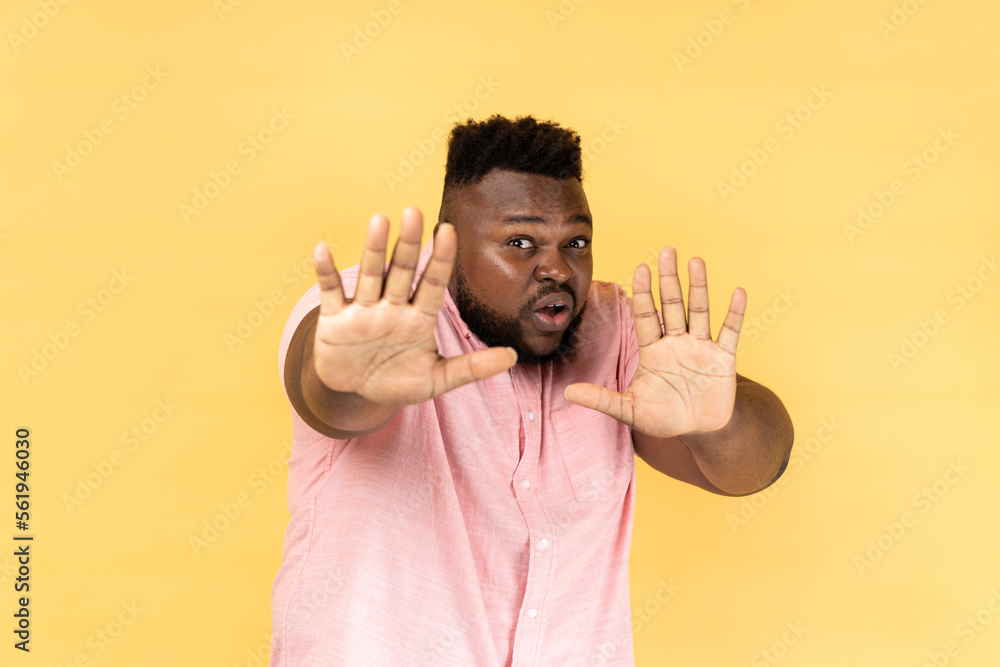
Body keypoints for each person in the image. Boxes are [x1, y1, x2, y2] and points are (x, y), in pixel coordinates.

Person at [270, 114, 794, 666]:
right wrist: (356, 380)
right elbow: (332, 402)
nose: (558, 269)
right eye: (520, 242)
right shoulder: (371, 313)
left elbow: (754, 467)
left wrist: (716, 422)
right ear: (447, 244)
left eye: (576, 242)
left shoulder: (618, 328)